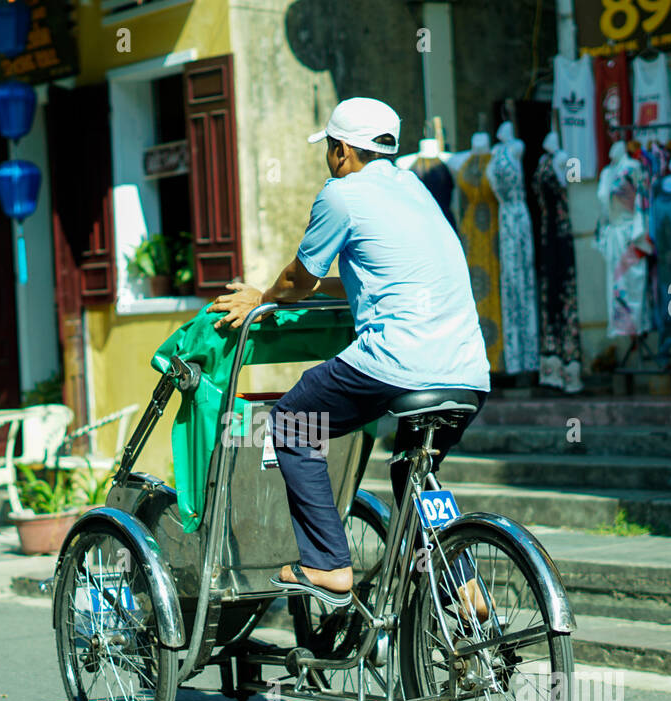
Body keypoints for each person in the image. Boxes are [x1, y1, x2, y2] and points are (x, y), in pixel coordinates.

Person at [206, 97, 491, 617]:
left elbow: (299, 278)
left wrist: (261, 298)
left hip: (399, 362)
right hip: (468, 371)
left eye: (330, 149)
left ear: (340, 150)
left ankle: (328, 563)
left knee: (293, 421)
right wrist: (307, 291)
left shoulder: (341, 194)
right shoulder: (413, 188)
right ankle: (464, 587)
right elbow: (372, 274)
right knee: (412, 474)